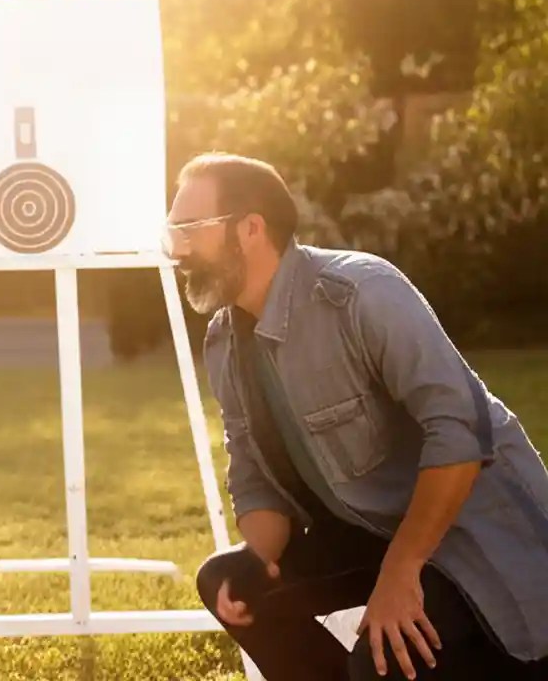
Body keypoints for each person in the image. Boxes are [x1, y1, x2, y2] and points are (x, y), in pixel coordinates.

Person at [164, 153, 548, 680]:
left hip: (468, 534)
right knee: (229, 580)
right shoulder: (225, 341)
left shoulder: (361, 293)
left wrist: (401, 572)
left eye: (190, 229)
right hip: (371, 531)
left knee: (382, 659)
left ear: (250, 229)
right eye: (174, 231)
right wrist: (260, 560)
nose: (179, 250)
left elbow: (459, 431)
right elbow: (251, 470)